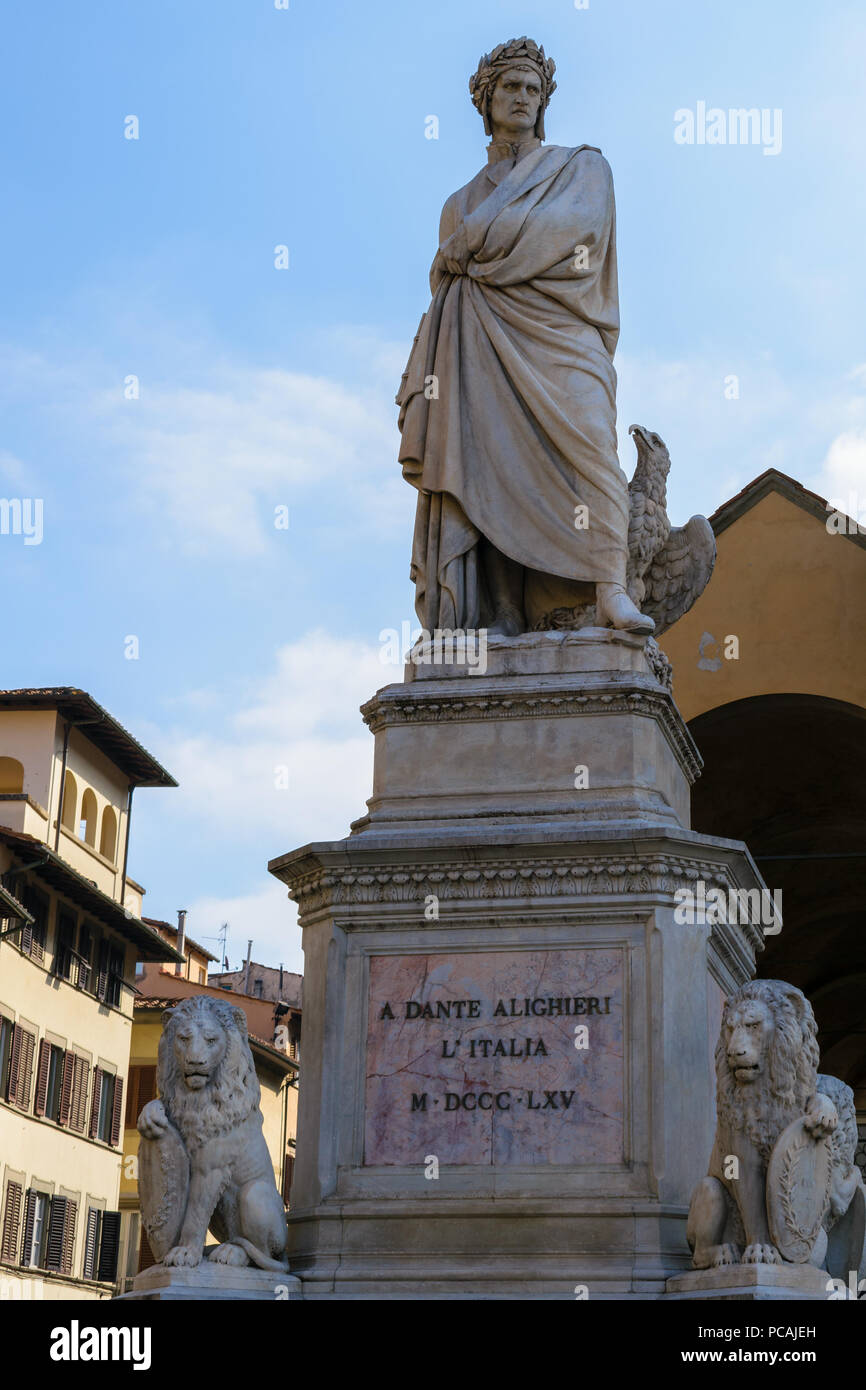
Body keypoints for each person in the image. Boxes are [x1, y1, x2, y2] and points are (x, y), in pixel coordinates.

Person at [397, 37, 653, 637]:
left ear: (545, 102)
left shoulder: (582, 168)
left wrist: (477, 245)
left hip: (564, 334)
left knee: (592, 444)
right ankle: (505, 609)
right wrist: (473, 245)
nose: (522, 99)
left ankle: (609, 587)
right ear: (486, 100)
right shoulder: (458, 203)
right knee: (487, 460)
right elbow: (451, 280)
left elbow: (574, 232)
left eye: (533, 90)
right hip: (481, 342)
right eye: (510, 88)